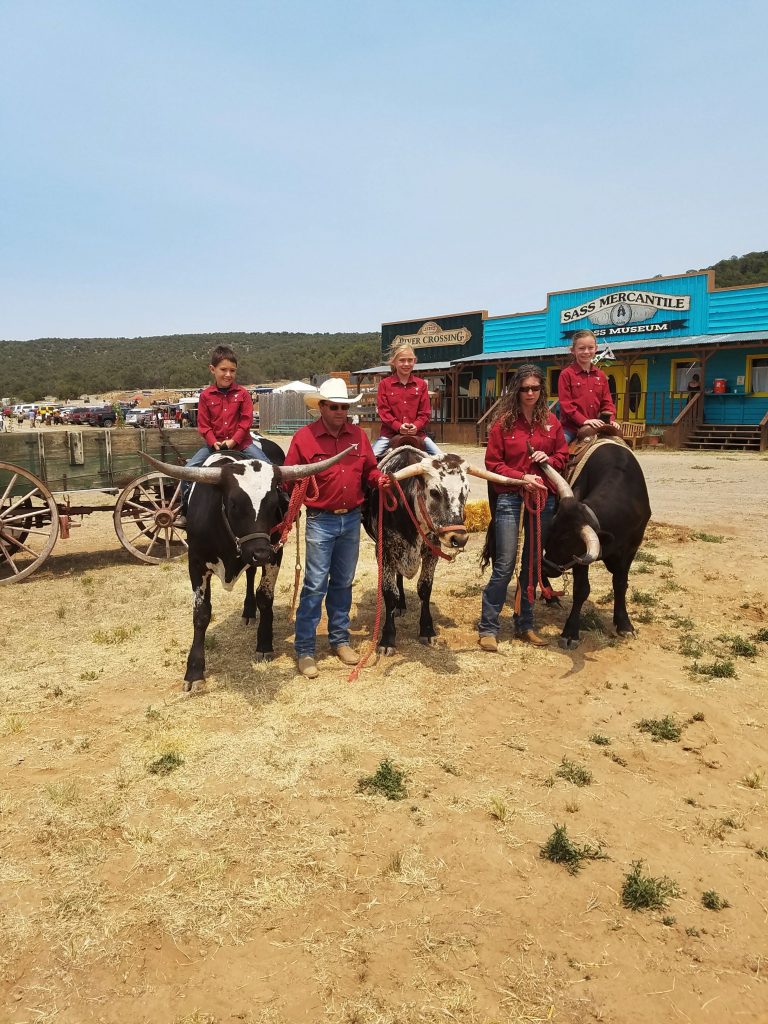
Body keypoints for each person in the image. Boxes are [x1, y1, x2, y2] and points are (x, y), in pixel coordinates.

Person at [285, 379, 392, 679]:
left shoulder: (358, 436)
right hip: (321, 519)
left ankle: (339, 639)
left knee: (343, 582)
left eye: (344, 407)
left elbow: (370, 469)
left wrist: (378, 479)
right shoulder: (304, 439)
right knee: (316, 584)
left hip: (351, 519)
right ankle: (305, 649)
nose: (340, 412)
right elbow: (288, 476)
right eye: (334, 406)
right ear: (321, 407)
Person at [478, 364, 569, 651]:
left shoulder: (551, 423)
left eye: (535, 388)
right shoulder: (503, 424)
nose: (530, 393)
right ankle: (488, 627)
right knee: (504, 565)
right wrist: (522, 477)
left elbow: (563, 456)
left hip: (543, 499)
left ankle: (524, 623)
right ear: (516, 390)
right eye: (525, 388)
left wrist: (549, 459)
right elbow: (493, 464)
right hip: (510, 498)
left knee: (531, 566)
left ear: (542, 390)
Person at [179, 346, 269, 518]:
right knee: (188, 471)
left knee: (269, 466)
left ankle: (279, 504)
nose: (228, 374)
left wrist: (233, 441)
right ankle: (186, 511)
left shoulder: (242, 393)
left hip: (242, 444)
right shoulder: (206, 396)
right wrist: (214, 442)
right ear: (212, 369)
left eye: (232, 370)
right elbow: (204, 425)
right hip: (214, 445)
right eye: (223, 370)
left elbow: (245, 422)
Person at [373, 343, 441, 458]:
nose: (406, 364)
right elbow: (384, 412)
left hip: (418, 434)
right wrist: (398, 426)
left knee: (442, 459)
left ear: (414, 361)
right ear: (393, 362)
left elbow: (425, 413)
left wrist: (416, 426)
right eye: (402, 360)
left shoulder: (421, 385)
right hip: (389, 435)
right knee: (369, 460)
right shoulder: (384, 384)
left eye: (410, 360)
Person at [557, 329, 618, 443]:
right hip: (571, 428)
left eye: (590, 348)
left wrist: (610, 419)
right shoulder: (566, 374)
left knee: (621, 448)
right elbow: (566, 405)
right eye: (581, 348)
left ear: (596, 349)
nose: (586, 351)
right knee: (559, 447)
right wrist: (584, 421)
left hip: (597, 426)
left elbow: (607, 402)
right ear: (573, 350)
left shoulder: (601, 375)